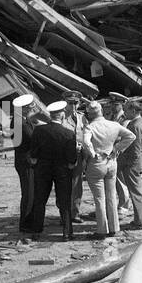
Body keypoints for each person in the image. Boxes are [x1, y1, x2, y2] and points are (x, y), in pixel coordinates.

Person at [81, 101, 135, 239]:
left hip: (97, 163)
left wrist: (92, 154)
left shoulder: (90, 127)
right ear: (101, 111)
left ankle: (102, 230)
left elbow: (86, 142)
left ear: (89, 114)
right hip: (111, 161)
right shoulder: (114, 125)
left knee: (99, 198)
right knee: (111, 196)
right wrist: (116, 148)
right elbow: (131, 136)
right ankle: (114, 227)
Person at [27, 101, 79, 240]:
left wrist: (36, 161)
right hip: (62, 170)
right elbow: (72, 158)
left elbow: (33, 153)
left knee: (40, 200)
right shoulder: (68, 133)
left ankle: (37, 231)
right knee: (64, 201)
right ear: (62, 115)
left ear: (50, 115)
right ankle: (67, 233)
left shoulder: (39, 131)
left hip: (43, 169)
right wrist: (71, 165)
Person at [115, 97, 142, 230]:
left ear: (134, 111)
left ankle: (140, 221)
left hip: (132, 164)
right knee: (139, 191)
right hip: (138, 161)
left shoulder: (134, 126)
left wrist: (126, 164)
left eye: (126, 110)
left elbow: (134, 150)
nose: (124, 113)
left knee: (135, 193)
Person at [11, 93, 39, 234]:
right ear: (24, 108)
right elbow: (31, 139)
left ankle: (30, 221)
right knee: (28, 194)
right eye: (30, 108)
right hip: (26, 162)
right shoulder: (19, 123)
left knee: (31, 192)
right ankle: (26, 225)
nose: (32, 110)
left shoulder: (22, 120)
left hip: (26, 160)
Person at [63, 91, 88, 220]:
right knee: (64, 185)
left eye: (75, 103)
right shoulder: (61, 117)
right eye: (70, 103)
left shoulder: (82, 117)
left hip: (79, 155)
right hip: (64, 156)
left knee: (77, 185)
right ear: (65, 103)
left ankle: (75, 212)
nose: (73, 106)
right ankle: (64, 214)